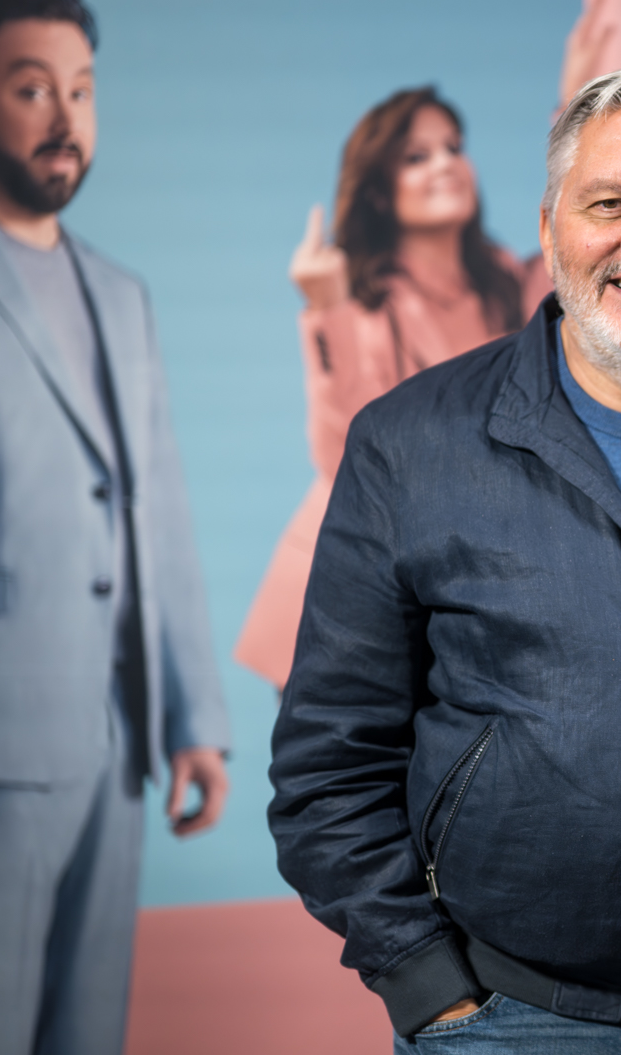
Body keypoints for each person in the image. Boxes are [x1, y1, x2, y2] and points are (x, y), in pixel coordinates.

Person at [268, 63, 621, 1051]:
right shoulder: (411, 443)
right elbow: (328, 768)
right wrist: (430, 990)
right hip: (501, 1020)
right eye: (611, 203)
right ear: (548, 228)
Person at [0, 0, 231, 1054]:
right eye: (31, 88)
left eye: (80, 89)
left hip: (117, 747)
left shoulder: (122, 293)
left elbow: (158, 510)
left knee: (85, 1036)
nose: (65, 118)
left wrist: (193, 715)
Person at [234, 86, 552, 690]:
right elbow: (344, 459)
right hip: (351, 594)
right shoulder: (367, 304)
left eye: (453, 147)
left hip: (447, 588)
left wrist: (570, 104)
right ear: (379, 190)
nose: (445, 164)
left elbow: (576, 245)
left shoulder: (505, 283)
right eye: (416, 156)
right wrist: (326, 310)